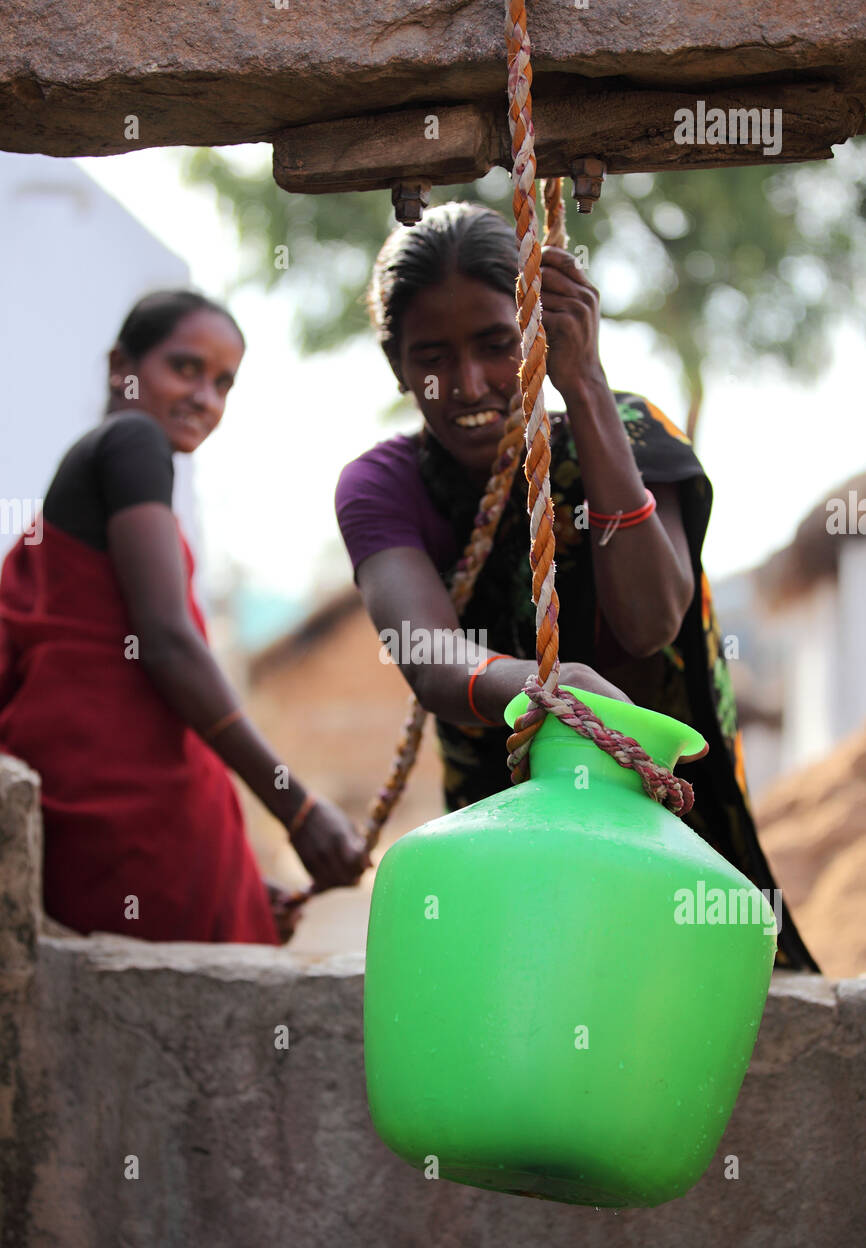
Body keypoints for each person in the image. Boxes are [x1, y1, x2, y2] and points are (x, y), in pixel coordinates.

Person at [335, 201, 818, 971]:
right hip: (503, 825)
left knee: (685, 1006)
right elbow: (429, 660)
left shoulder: (631, 433)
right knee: (522, 998)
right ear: (398, 366)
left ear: (540, 332)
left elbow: (650, 621)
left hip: (669, 824)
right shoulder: (382, 486)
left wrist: (586, 386)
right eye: (433, 355)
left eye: (498, 344)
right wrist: (545, 689)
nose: (467, 383)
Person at [0, 289, 369, 944]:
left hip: (135, 824)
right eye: (186, 367)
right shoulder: (132, 441)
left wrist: (240, 884)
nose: (206, 397)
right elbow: (166, 642)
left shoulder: (99, 472)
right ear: (123, 366)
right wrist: (298, 807)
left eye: (224, 383)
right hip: (129, 817)